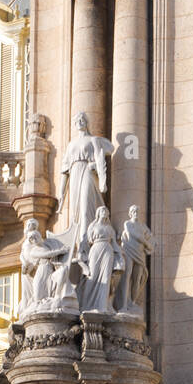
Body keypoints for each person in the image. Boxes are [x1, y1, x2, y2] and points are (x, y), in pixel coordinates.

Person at [49, 112, 115, 268]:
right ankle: (79, 246)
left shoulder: (93, 140)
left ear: (86, 122)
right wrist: (61, 194)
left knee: (86, 209)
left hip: (86, 172)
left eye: (82, 119)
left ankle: (85, 248)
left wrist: (100, 177)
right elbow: (64, 171)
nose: (79, 122)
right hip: (75, 175)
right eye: (76, 120)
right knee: (75, 214)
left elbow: (109, 150)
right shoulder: (71, 145)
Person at [81, 206, 123, 314]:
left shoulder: (109, 229)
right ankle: (87, 305)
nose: (104, 212)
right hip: (95, 249)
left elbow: (114, 243)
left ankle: (102, 306)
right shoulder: (93, 226)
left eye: (106, 211)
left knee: (106, 277)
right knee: (92, 275)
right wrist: (81, 254)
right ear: (98, 213)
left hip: (108, 251)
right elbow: (86, 241)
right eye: (102, 210)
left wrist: (120, 255)